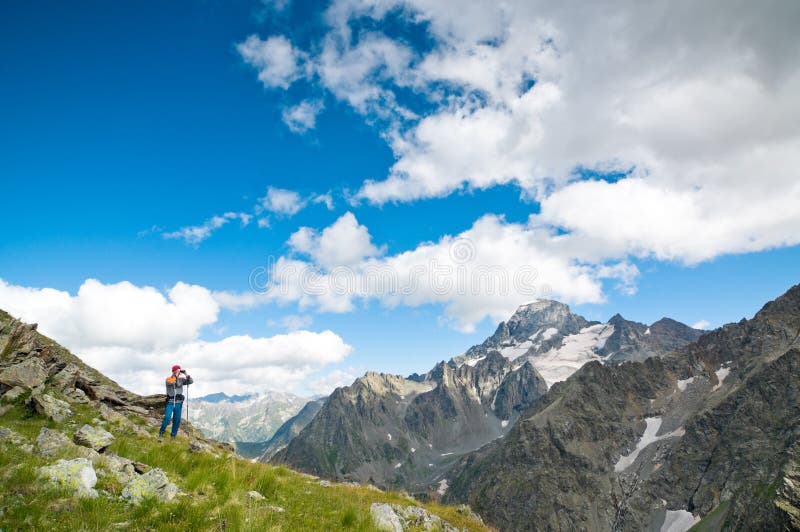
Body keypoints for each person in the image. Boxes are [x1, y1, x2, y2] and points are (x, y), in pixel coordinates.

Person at [158, 364, 193, 440]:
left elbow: (191, 381)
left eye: (179, 371)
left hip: (178, 403)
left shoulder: (181, 379)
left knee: (177, 420)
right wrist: (176, 376)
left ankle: (173, 436)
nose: (179, 373)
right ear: (173, 371)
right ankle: (161, 433)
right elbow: (173, 383)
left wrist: (186, 373)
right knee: (167, 418)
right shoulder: (168, 379)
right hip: (170, 402)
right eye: (177, 371)